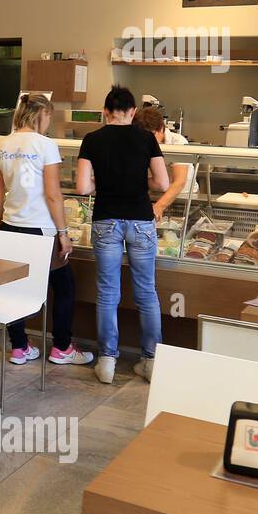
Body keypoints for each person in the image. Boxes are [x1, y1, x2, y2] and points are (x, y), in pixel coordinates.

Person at [0, 93, 94, 367]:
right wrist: (63, 232)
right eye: (49, 116)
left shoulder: (1, 145)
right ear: (41, 115)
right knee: (64, 286)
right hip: (41, 230)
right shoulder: (45, 145)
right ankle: (61, 347)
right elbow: (53, 195)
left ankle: (19, 347)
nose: (49, 122)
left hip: (11, 226)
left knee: (14, 288)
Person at [76, 86, 170, 383]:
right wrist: (138, 180)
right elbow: (163, 183)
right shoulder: (146, 139)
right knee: (146, 292)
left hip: (106, 221)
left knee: (107, 293)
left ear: (106, 112)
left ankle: (106, 362)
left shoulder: (91, 140)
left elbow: (82, 188)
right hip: (141, 221)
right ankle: (151, 362)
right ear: (132, 112)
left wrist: (101, 183)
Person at [133, 107, 195, 221]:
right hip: (152, 197)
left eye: (151, 135)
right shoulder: (138, 142)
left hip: (182, 200)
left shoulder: (178, 142)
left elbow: (179, 182)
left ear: (161, 128)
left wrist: (158, 207)